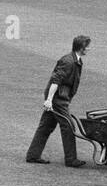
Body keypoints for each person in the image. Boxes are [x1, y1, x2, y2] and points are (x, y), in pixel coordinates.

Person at [25, 36, 92, 168]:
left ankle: (33, 155)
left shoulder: (75, 60)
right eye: (87, 46)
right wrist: (49, 100)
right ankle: (71, 159)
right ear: (81, 47)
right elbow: (56, 81)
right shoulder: (69, 62)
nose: (89, 49)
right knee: (68, 126)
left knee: (46, 126)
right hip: (58, 99)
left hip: (60, 97)